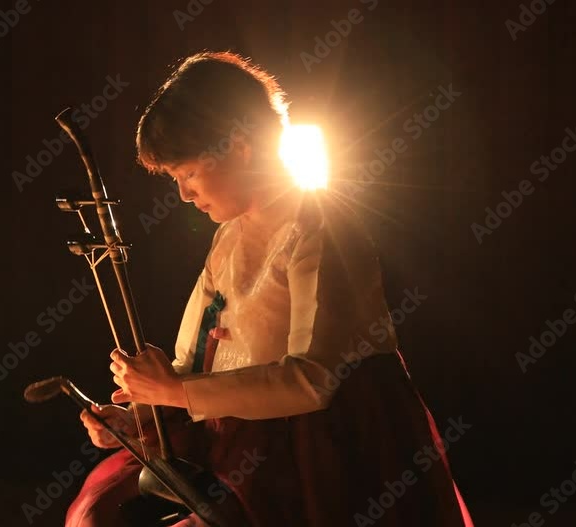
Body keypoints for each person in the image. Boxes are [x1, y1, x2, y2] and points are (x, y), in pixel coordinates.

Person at [66, 51, 474, 527]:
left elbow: (311, 380)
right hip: (236, 438)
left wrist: (174, 391)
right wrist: (142, 415)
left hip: (319, 452)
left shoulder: (321, 228)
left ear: (239, 145)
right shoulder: (229, 238)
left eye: (189, 173)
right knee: (99, 514)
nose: (184, 194)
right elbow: (193, 365)